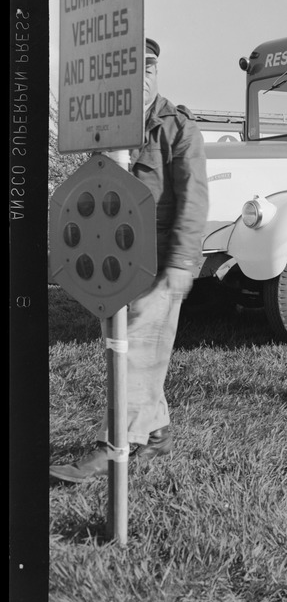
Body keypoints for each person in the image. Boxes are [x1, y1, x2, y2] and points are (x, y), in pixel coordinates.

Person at [50, 39, 209, 484]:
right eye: (132, 66)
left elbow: (194, 203)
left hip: (158, 266)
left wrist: (181, 265)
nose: (143, 75)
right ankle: (156, 434)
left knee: (134, 353)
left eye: (151, 66)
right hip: (116, 263)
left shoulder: (177, 129)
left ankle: (111, 446)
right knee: (129, 349)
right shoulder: (110, 130)